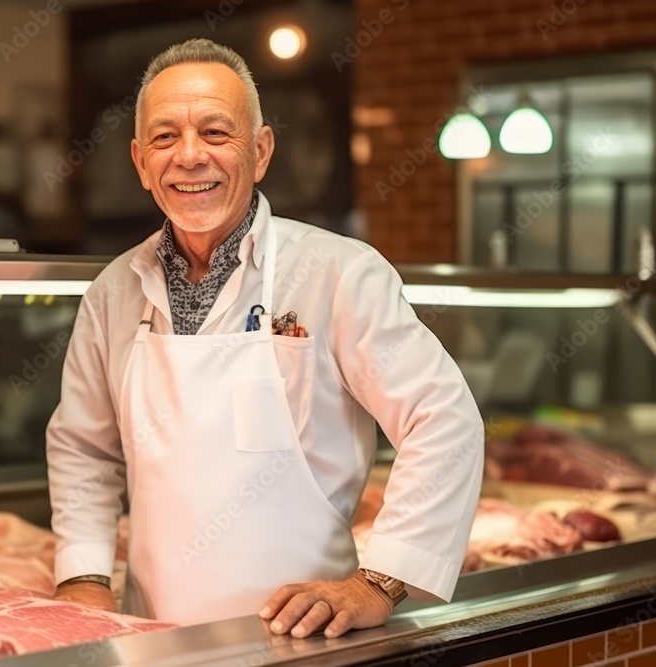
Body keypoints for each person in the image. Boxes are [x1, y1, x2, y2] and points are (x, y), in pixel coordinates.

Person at [45, 38, 484, 639]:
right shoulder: (113, 291)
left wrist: (379, 582)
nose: (190, 156)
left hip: (304, 643)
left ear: (261, 149)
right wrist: (83, 577)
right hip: (153, 639)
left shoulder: (339, 272)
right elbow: (83, 449)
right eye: (165, 137)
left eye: (217, 133)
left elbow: (443, 417)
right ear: (140, 161)